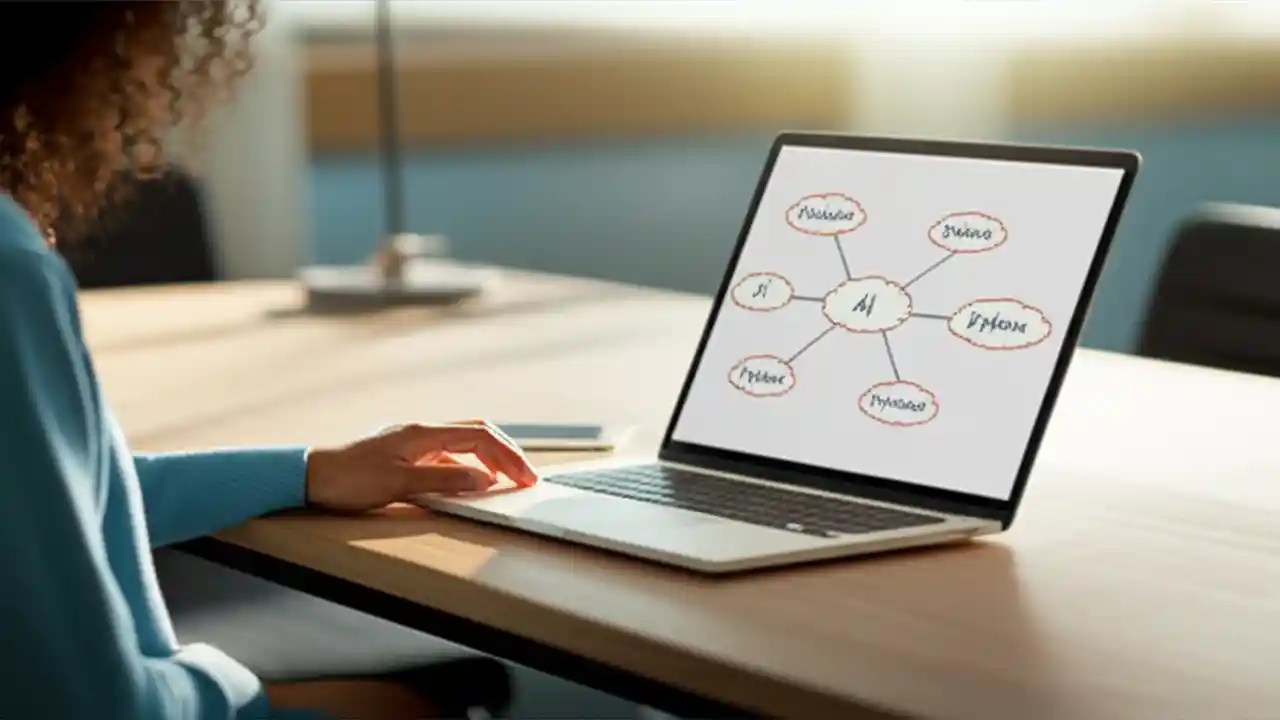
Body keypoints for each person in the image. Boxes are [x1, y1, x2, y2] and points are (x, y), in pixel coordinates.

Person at [0, 3, 538, 719]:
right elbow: (93, 704)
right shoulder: (11, 274)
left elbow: (62, 500)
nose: (167, 68)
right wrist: (234, 684)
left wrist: (310, 471)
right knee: (423, 696)